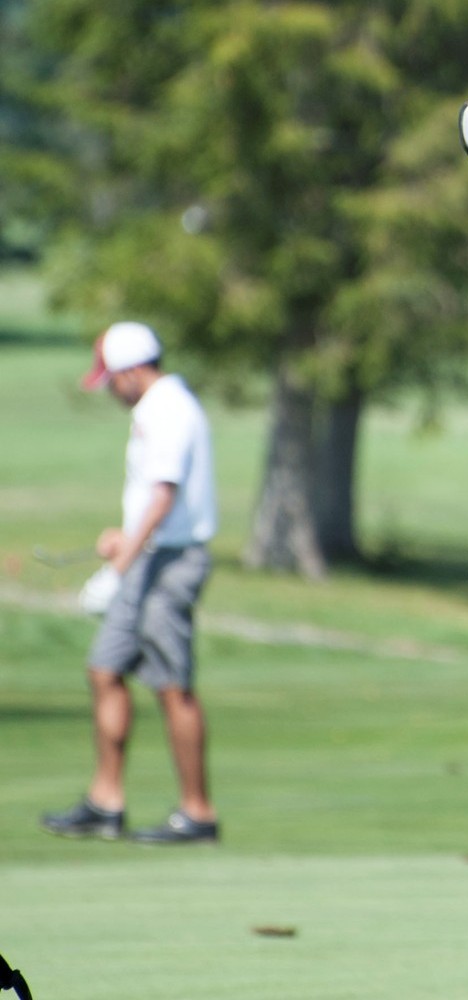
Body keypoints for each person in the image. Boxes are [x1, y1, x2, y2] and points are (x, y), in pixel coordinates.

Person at [41, 321, 221, 845]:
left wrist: (120, 565)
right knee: (105, 668)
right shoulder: (154, 409)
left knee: (172, 685)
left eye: (113, 379)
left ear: (133, 371)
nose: (111, 391)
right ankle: (106, 802)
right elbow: (151, 499)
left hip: (170, 562)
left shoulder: (169, 410)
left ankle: (197, 813)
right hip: (146, 555)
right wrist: (123, 540)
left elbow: (163, 496)